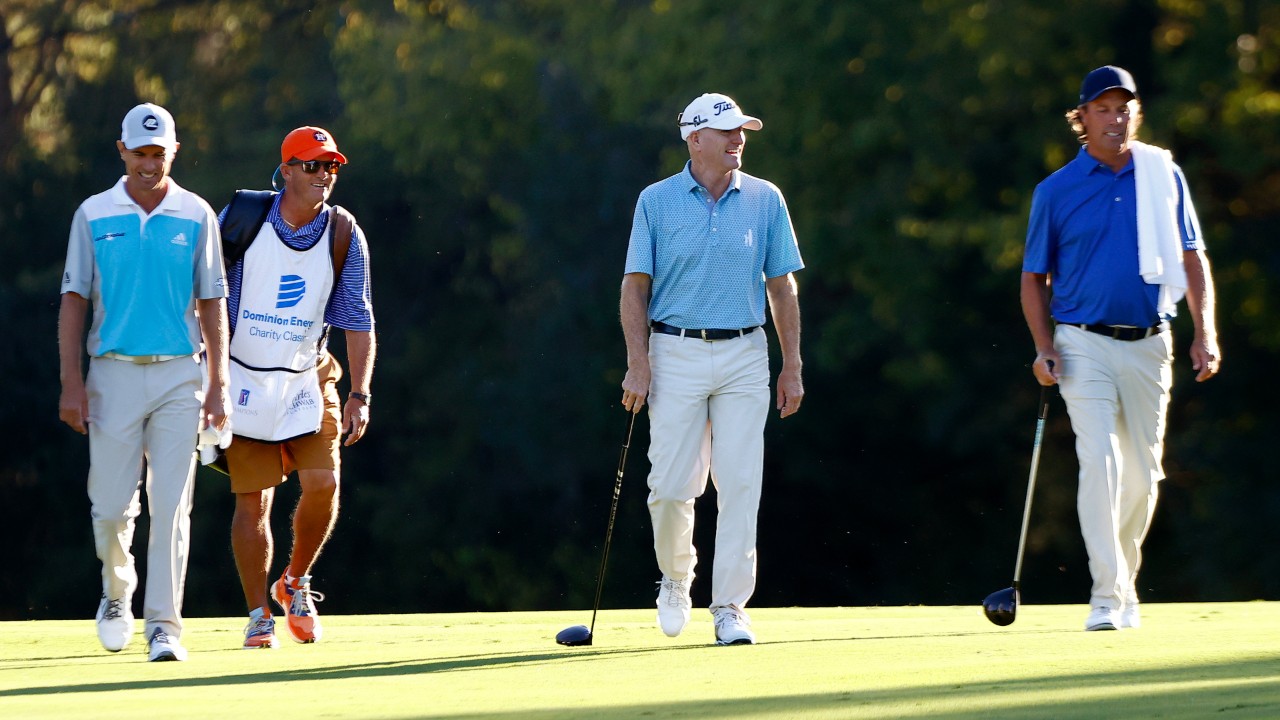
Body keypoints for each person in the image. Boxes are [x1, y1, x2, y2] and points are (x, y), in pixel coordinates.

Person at [1020, 66, 1221, 631]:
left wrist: (1205, 333)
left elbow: (1191, 259)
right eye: (1104, 109)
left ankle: (1123, 581)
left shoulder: (1162, 174)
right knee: (1100, 462)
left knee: (1143, 474)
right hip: (1081, 343)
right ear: (1081, 118)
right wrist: (1043, 347)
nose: (1117, 117)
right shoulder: (1056, 190)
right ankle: (1107, 595)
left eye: (1124, 107)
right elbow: (1033, 278)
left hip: (1151, 343)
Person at [620, 92, 805, 645]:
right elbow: (635, 286)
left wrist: (791, 364)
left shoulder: (766, 200)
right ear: (694, 138)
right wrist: (638, 361)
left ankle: (729, 605)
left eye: (742, 130)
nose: (739, 139)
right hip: (673, 351)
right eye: (727, 131)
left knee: (741, 482)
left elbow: (782, 286)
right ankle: (676, 579)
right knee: (671, 487)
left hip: (746, 353)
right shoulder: (655, 201)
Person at [58, 103, 230, 662]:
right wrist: (71, 383)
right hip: (111, 374)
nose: (149, 163)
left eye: (159, 153)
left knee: (172, 503)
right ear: (122, 151)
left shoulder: (197, 214)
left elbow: (212, 303)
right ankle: (116, 589)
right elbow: (73, 300)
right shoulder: (92, 214)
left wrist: (218, 384)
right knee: (109, 510)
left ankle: (164, 627)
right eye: (140, 153)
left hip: (180, 374)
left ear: (173, 152)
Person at [220, 126, 375, 649]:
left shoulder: (343, 233)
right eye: (312, 165)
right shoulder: (243, 219)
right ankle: (258, 612)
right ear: (285, 170)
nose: (324, 175)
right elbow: (205, 291)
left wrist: (360, 393)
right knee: (253, 503)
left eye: (331, 166)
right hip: (242, 379)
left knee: (324, 483)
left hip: (308, 376)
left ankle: (295, 580)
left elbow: (357, 317)